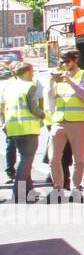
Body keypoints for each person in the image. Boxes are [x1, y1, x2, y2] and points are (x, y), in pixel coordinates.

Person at [48, 48, 84, 194]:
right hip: (59, 121)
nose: (64, 64)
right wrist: (51, 83)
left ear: (76, 60)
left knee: (78, 158)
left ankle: (76, 187)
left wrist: (70, 81)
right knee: (53, 158)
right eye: (62, 61)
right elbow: (52, 98)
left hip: (77, 122)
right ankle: (58, 187)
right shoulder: (60, 76)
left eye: (67, 61)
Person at [1, 62, 44, 203]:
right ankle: (18, 192)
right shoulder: (29, 86)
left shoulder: (9, 87)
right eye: (31, 72)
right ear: (26, 72)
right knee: (26, 160)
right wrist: (43, 114)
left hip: (14, 128)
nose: (33, 75)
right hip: (28, 128)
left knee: (25, 159)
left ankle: (29, 191)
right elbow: (34, 109)